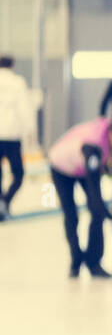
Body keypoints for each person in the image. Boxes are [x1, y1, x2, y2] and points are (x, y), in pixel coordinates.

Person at [47, 115, 112, 278]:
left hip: (81, 166)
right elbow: (96, 196)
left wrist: (107, 214)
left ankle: (93, 262)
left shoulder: (109, 140)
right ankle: (76, 262)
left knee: (97, 213)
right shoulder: (94, 146)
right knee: (72, 215)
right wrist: (111, 217)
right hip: (61, 166)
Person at [0, 55, 43, 220]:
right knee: (18, 174)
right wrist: (31, 132)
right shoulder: (18, 83)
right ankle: (5, 201)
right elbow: (25, 109)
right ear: (12, 65)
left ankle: (1, 203)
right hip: (12, 136)